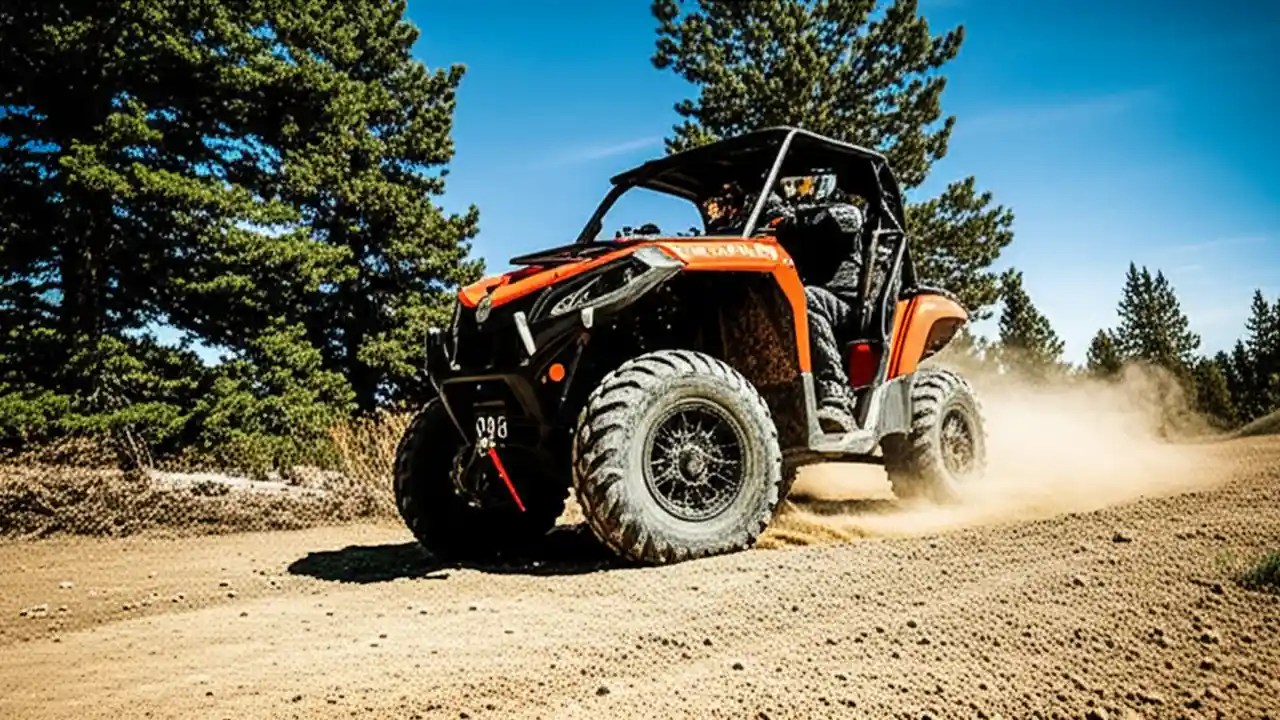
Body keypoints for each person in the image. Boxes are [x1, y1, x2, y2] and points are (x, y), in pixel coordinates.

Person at [701, 174, 867, 434]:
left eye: (801, 184)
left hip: (842, 302)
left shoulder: (845, 213)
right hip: (795, 300)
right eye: (791, 185)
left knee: (805, 298)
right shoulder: (787, 223)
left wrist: (785, 217)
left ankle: (836, 391)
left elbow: (830, 223)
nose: (796, 190)